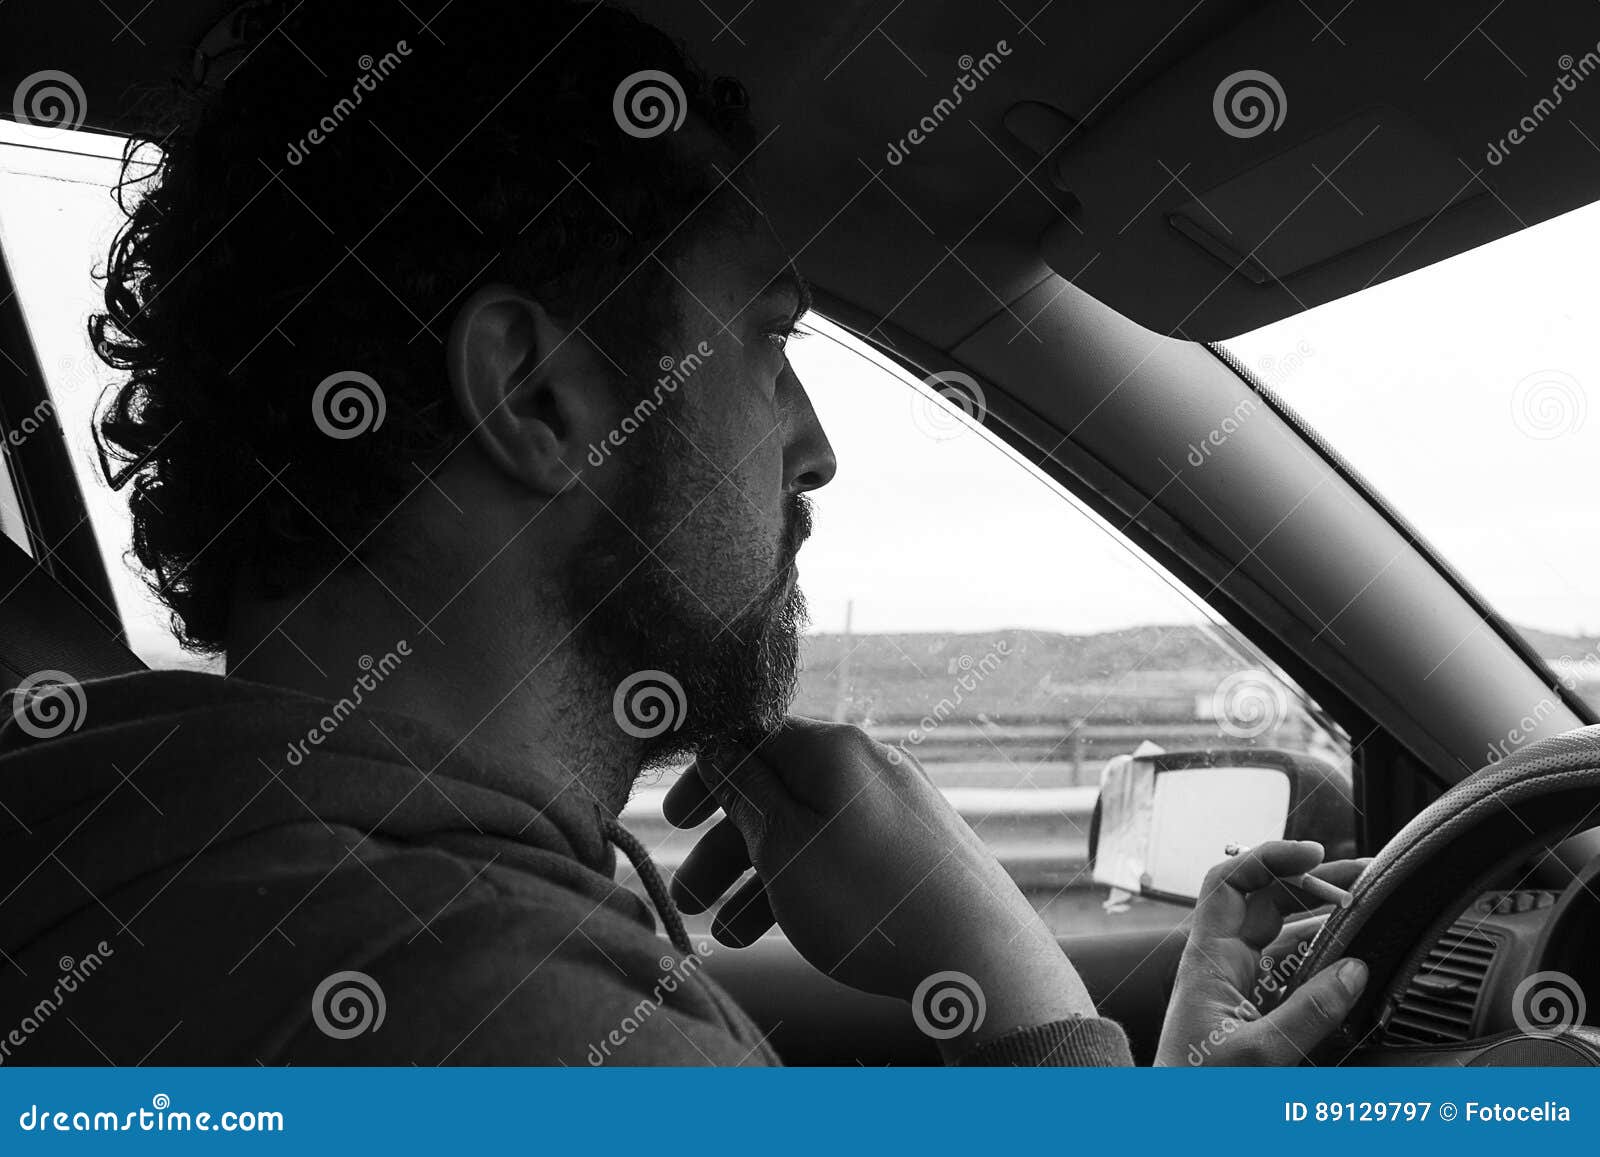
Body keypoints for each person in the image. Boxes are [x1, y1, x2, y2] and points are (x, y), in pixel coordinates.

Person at [0, 0, 1368, 1065]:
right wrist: (1010, 972)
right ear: (538, 396)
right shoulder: (491, 1011)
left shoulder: (159, 865)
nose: (816, 444)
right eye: (767, 343)